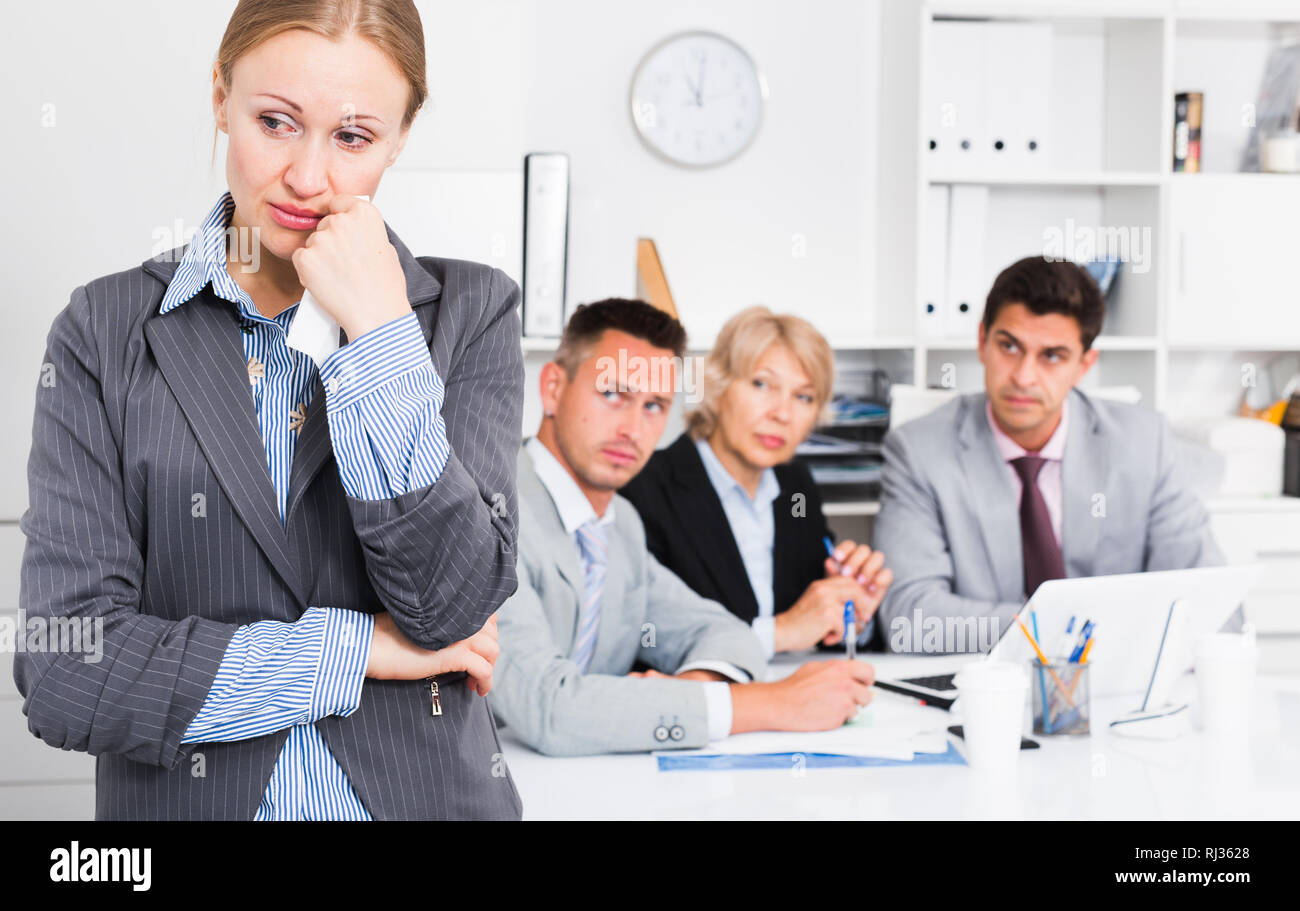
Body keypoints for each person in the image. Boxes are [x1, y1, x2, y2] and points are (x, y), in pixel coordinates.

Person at [15, 0, 523, 820]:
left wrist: (379, 335)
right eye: (276, 122)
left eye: (354, 136)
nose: (309, 178)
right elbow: (65, 670)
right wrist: (352, 650)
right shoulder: (103, 331)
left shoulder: (470, 312)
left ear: (401, 136)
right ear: (220, 97)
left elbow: (446, 604)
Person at [489, 299, 876, 756]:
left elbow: (728, 635)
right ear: (553, 388)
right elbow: (548, 709)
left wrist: (692, 693)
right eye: (613, 394)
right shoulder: (491, 512)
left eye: (654, 405)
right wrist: (770, 704)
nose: (632, 429)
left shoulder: (620, 526)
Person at [874, 256, 1223, 651]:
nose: (1023, 376)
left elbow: (1207, 598)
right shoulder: (918, 451)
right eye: (1009, 346)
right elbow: (910, 621)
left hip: (1115, 686)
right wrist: (1070, 632)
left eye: (1051, 356)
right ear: (981, 342)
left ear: (1084, 364)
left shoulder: (1146, 443)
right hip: (983, 687)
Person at [622, 306, 892, 659]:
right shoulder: (644, 487)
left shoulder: (796, 486)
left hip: (796, 697)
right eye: (762, 385)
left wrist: (851, 610)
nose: (782, 413)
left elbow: (818, 628)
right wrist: (782, 632)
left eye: (804, 397)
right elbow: (642, 641)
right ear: (717, 385)